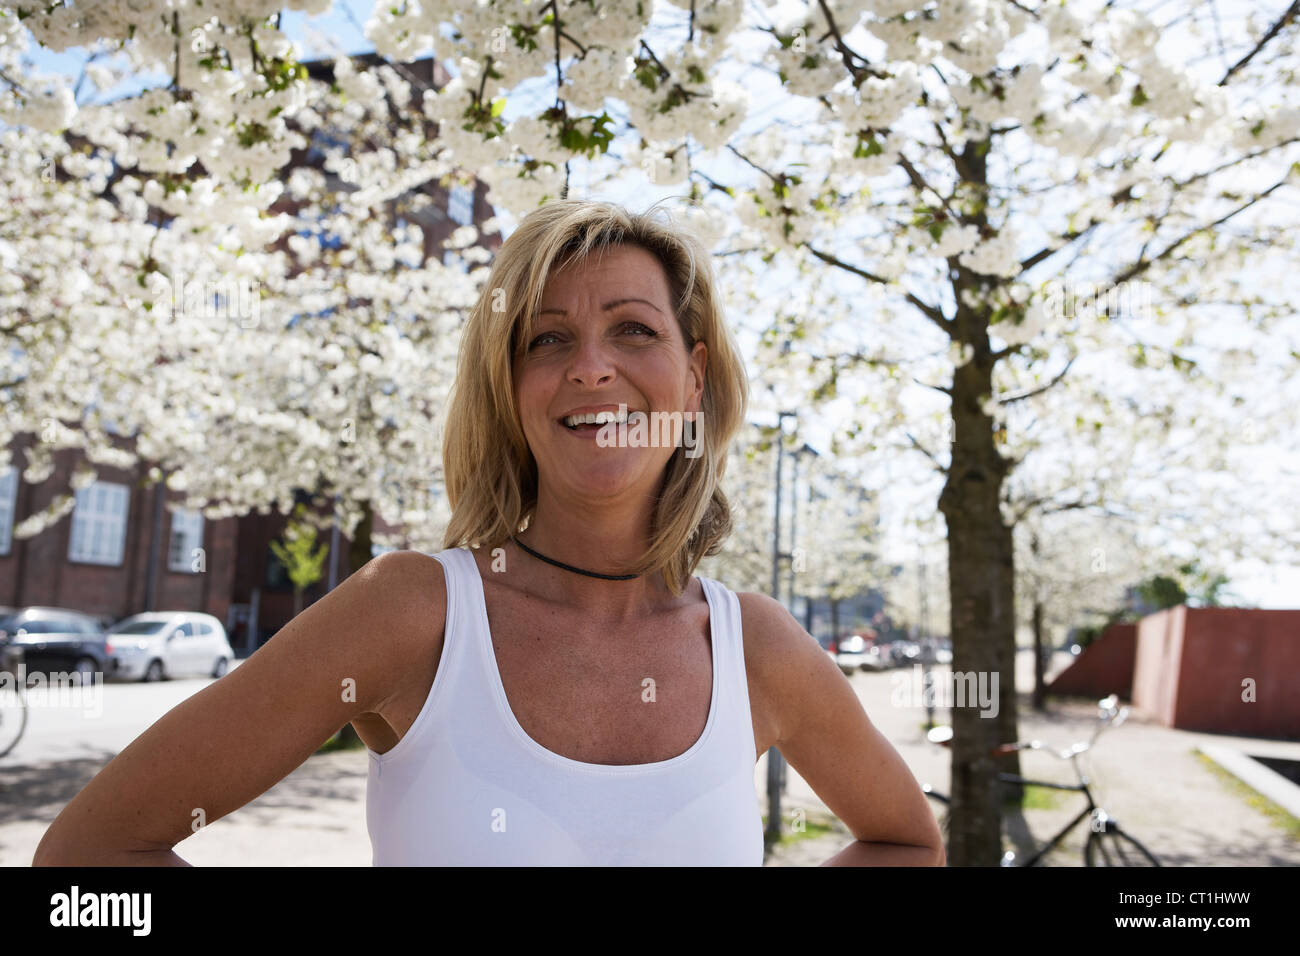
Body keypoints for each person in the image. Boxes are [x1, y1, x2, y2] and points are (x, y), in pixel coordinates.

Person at [32, 198, 943, 866]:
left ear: (694, 379)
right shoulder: (413, 612)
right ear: (508, 391)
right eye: (547, 340)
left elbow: (907, 845)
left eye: (633, 330)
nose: (592, 369)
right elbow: (88, 860)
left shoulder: (757, 648)